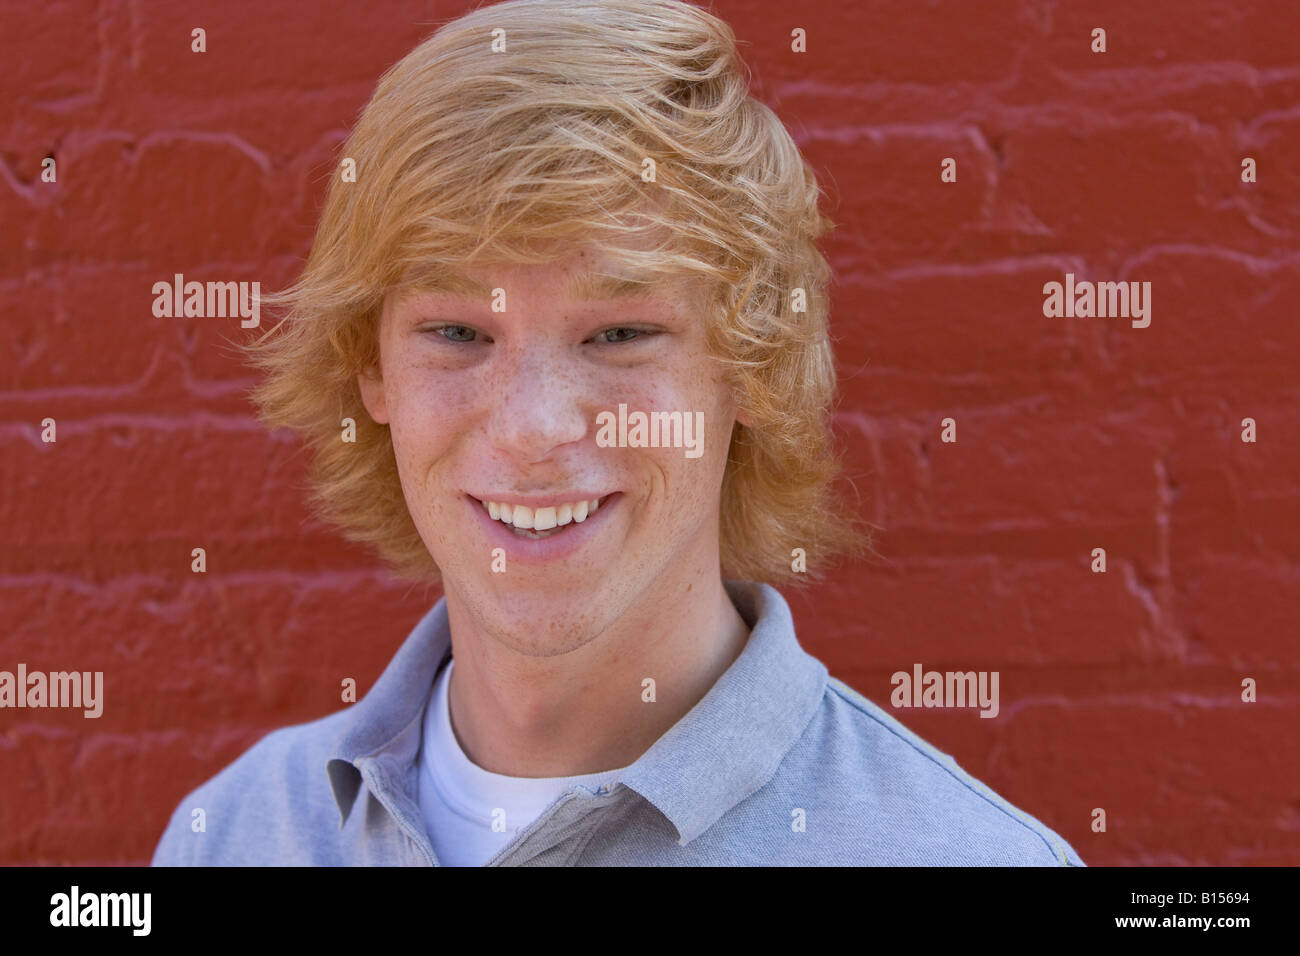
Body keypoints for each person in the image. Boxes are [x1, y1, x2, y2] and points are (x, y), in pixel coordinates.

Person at [151, 0, 1083, 866]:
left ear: (752, 365)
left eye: (622, 334)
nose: (531, 428)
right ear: (372, 369)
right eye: (458, 333)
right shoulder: (232, 834)